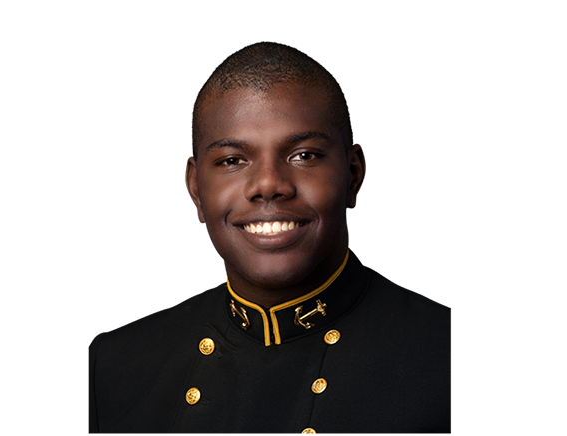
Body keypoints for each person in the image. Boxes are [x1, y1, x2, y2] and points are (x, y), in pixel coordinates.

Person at [88, 42, 451, 434]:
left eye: (304, 155)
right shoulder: (113, 366)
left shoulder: (450, 360)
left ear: (352, 175)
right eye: (232, 160)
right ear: (196, 189)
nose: (267, 184)